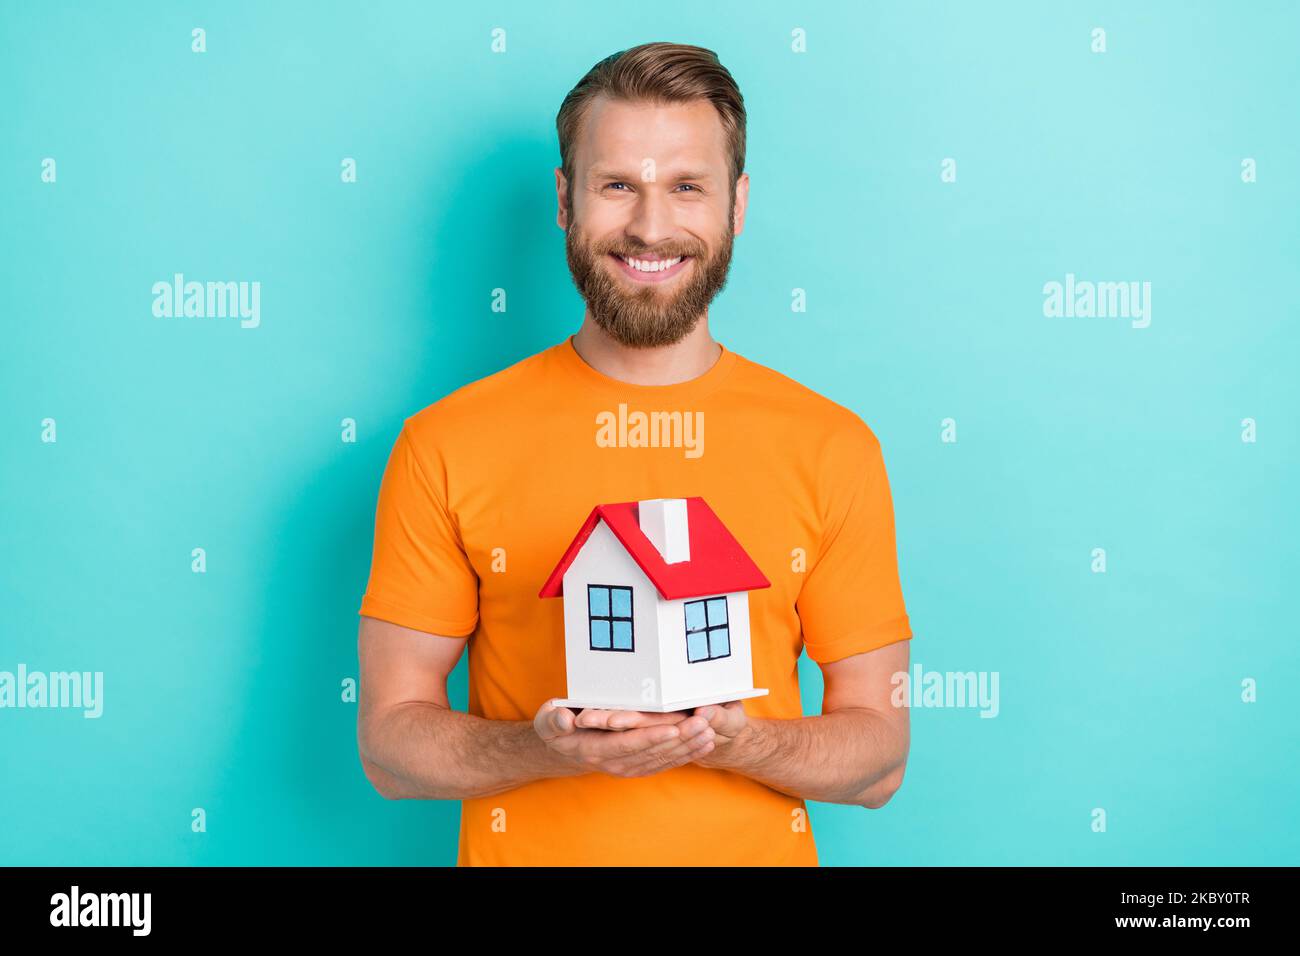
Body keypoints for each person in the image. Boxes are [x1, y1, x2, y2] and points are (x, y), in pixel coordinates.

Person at [356, 41, 913, 866]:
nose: (651, 227)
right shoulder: (446, 442)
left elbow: (879, 759)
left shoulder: (832, 446)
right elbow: (389, 748)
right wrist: (550, 749)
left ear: (738, 204)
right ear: (564, 198)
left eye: (686, 186)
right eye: (618, 185)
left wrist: (731, 742)